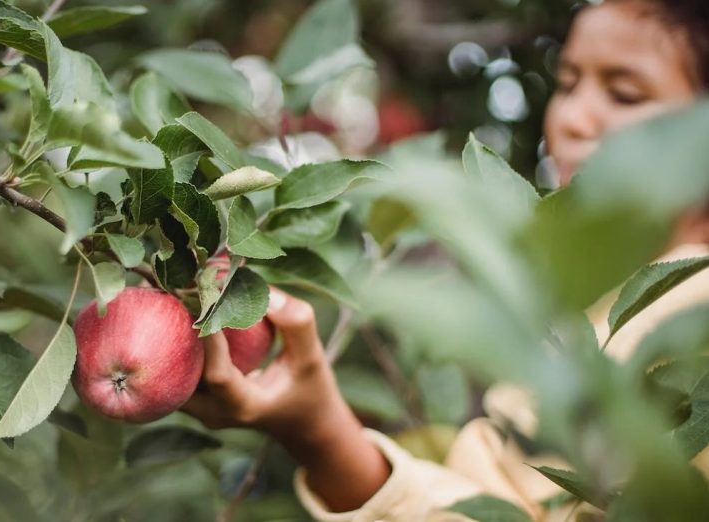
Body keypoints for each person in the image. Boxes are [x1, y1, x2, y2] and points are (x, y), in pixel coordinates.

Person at [181, 0, 709, 520]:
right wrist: (317, 429)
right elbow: (501, 507)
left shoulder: (689, 317)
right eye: (567, 83)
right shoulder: (595, 316)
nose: (571, 117)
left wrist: (319, 430)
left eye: (625, 94)